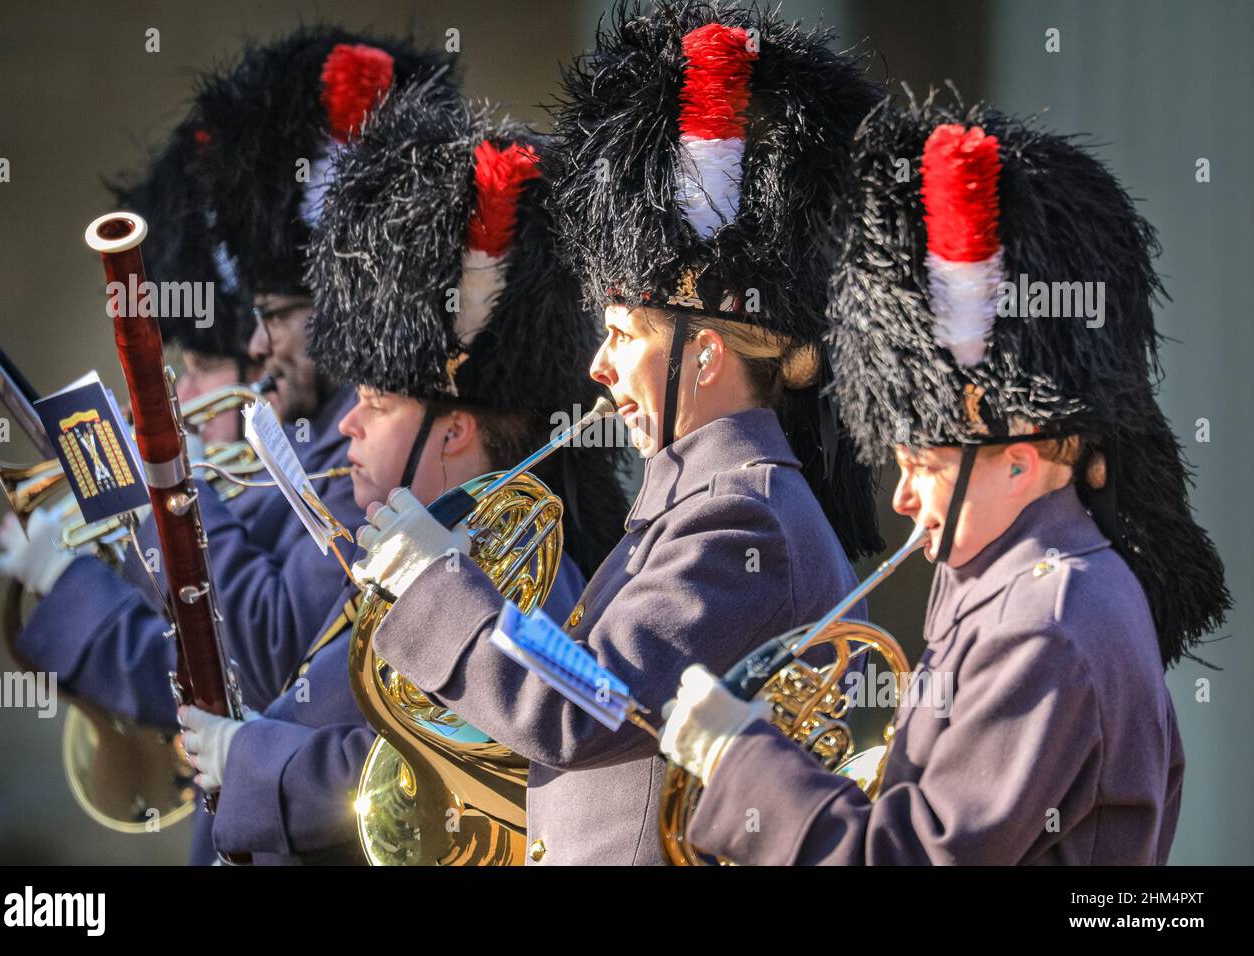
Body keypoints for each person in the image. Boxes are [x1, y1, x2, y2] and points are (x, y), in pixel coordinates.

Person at [349, 2, 883, 865]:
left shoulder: (741, 522)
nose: (599, 366)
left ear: (705, 357)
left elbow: (579, 706)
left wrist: (434, 583)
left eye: (625, 335)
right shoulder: (706, 506)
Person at [660, 95, 1230, 865]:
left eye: (923, 466)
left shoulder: (1044, 621)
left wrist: (741, 761)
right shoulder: (1018, 585)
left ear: (1022, 460)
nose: (900, 499)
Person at [0, 26, 446, 864]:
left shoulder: (363, 454)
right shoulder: (318, 435)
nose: (261, 346)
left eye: (275, 317)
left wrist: (137, 507)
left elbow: (267, 656)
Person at [178, 81, 630, 864]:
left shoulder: (515, 576)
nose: (346, 424)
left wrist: (249, 760)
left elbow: (436, 778)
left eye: (379, 404)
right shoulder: (405, 553)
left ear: (453, 429)